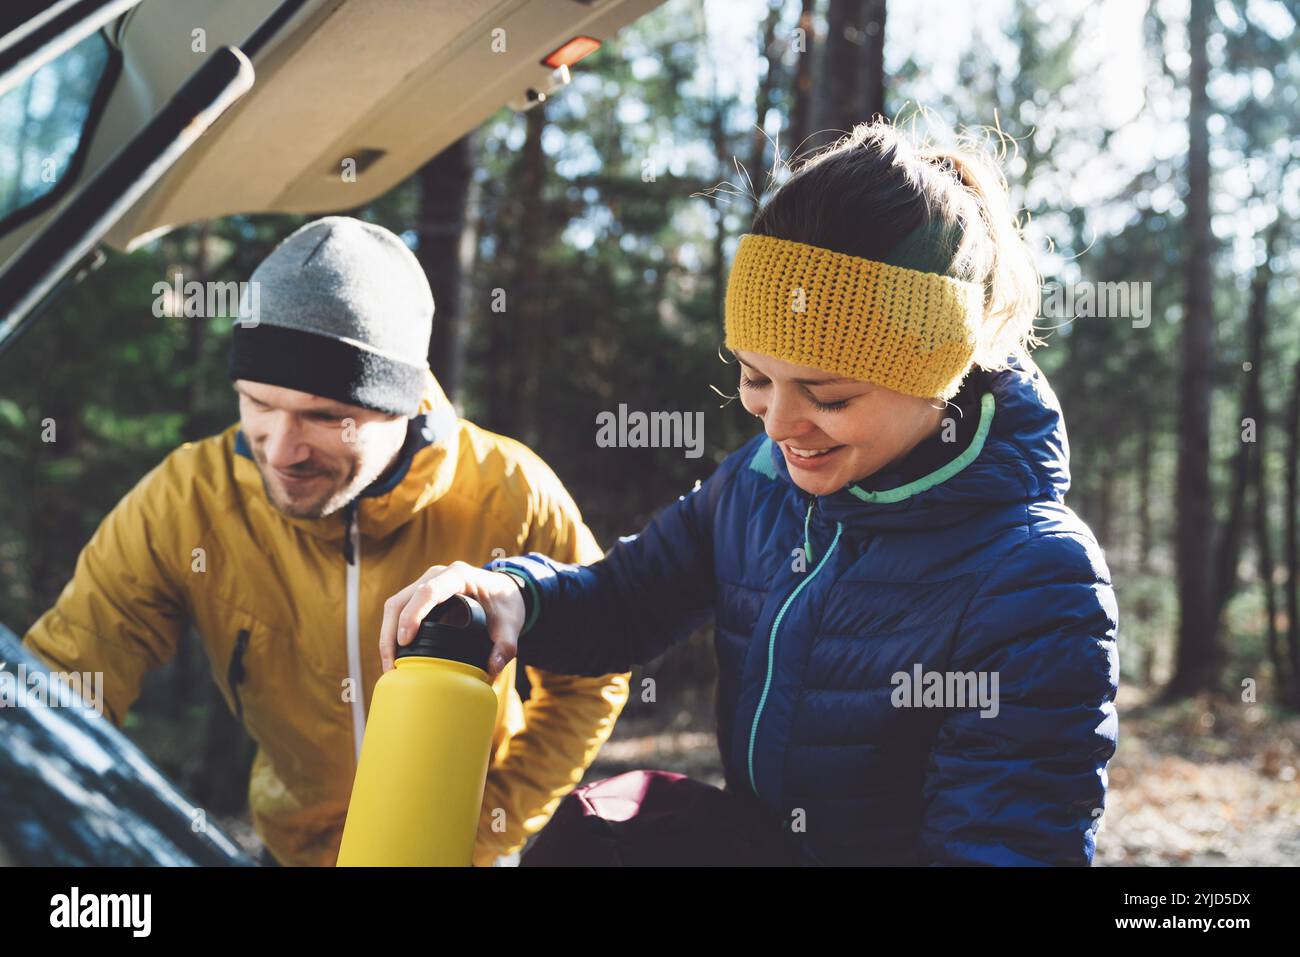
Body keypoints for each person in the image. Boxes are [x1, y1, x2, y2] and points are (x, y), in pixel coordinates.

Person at [380, 120, 1121, 866]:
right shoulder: (761, 484)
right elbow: (628, 599)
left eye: (827, 395)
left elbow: (1004, 848)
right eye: (756, 378)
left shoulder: (1032, 577)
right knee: (608, 831)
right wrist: (514, 596)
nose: (782, 424)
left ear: (940, 371)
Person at [23, 216, 629, 867]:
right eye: (257, 402)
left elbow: (594, 674)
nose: (282, 450)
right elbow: (65, 679)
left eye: (322, 416)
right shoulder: (186, 500)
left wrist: (481, 829)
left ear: (399, 407)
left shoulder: (509, 491)